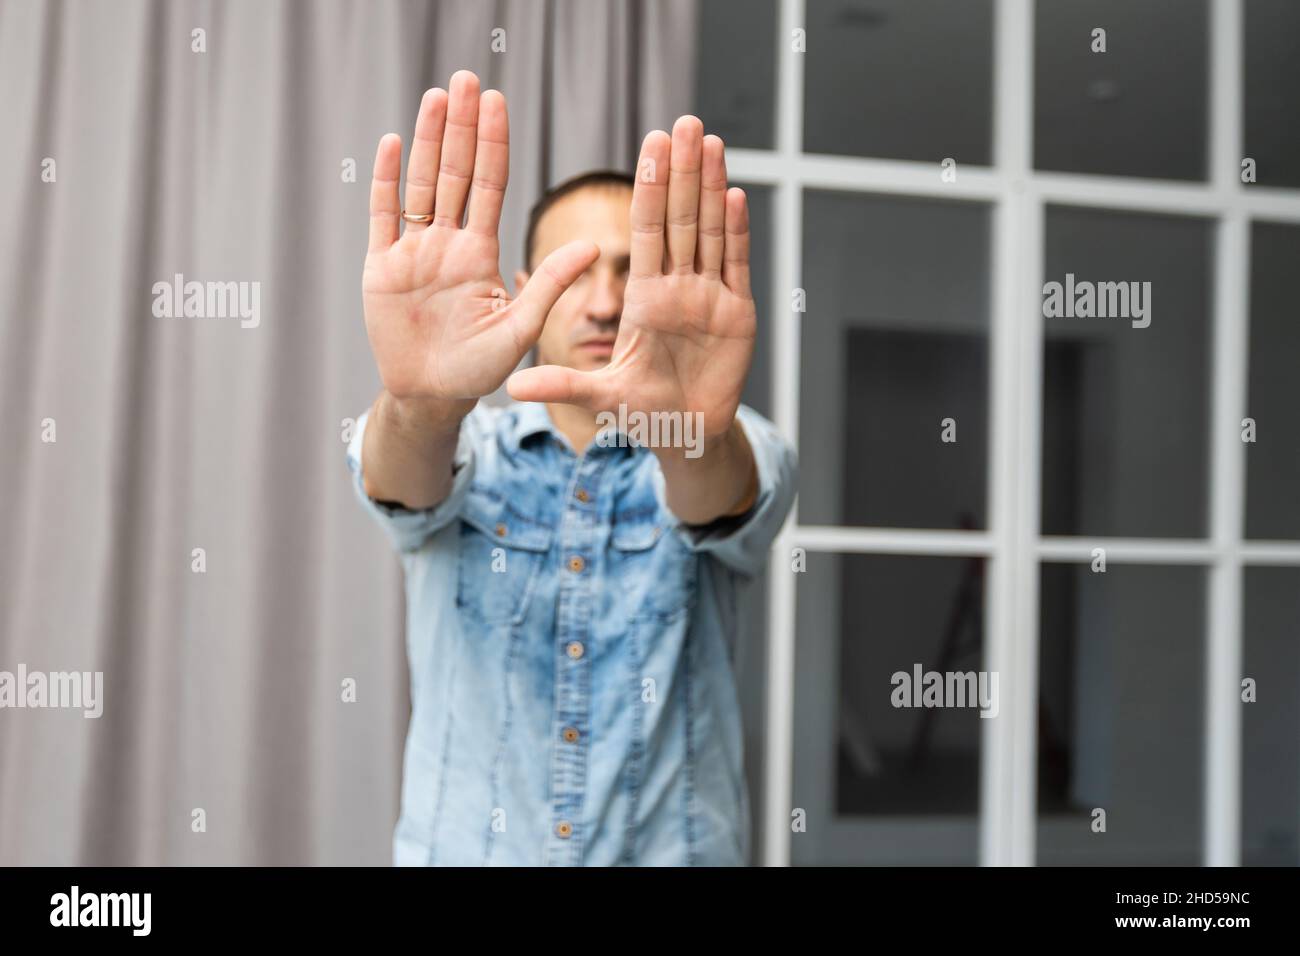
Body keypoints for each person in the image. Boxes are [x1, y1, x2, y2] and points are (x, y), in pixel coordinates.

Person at [348, 69, 797, 865]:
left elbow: (717, 497)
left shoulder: (732, 441)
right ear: (521, 293)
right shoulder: (466, 447)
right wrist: (418, 400)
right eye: (574, 272)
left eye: (630, 271)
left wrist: (686, 430)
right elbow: (400, 483)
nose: (601, 302)